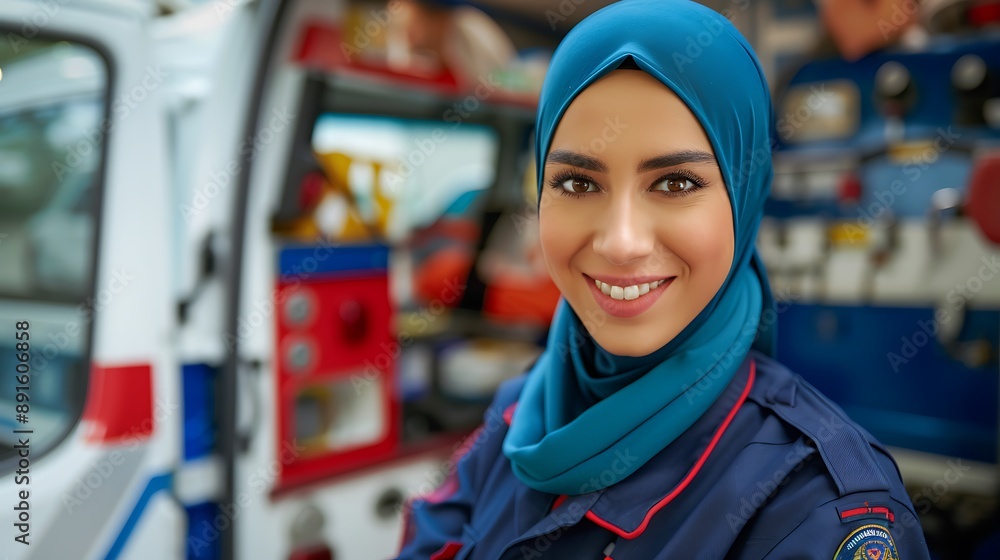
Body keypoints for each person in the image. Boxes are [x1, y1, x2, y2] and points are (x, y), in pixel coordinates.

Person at [395, 1, 931, 558]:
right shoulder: (514, 415)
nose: (620, 242)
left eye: (675, 183)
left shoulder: (815, 506)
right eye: (578, 183)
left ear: (745, 198)